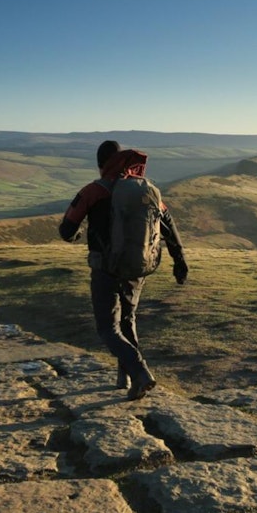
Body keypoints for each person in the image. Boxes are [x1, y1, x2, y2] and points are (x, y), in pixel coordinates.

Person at [59, 140, 188, 400]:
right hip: (135, 267)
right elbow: (168, 222)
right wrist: (179, 258)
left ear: (100, 163)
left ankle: (140, 373)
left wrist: (78, 235)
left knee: (108, 328)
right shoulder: (145, 190)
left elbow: (66, 230)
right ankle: (126, 378)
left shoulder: (93, 191)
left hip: (104, 268)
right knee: (128, 321)